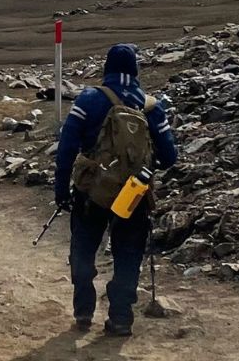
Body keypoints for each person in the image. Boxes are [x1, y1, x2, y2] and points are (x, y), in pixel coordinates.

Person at [53, 43, 179, 336]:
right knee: (127, 254)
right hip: (133, 195)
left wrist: (61, 190)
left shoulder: (88, 100)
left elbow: (66, 149)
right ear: (135, 70)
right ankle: (120, 318)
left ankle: (84, 311)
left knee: (83, 249)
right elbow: (170, 156)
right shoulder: (150, 106)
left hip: (92, 192)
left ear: (107, 68)